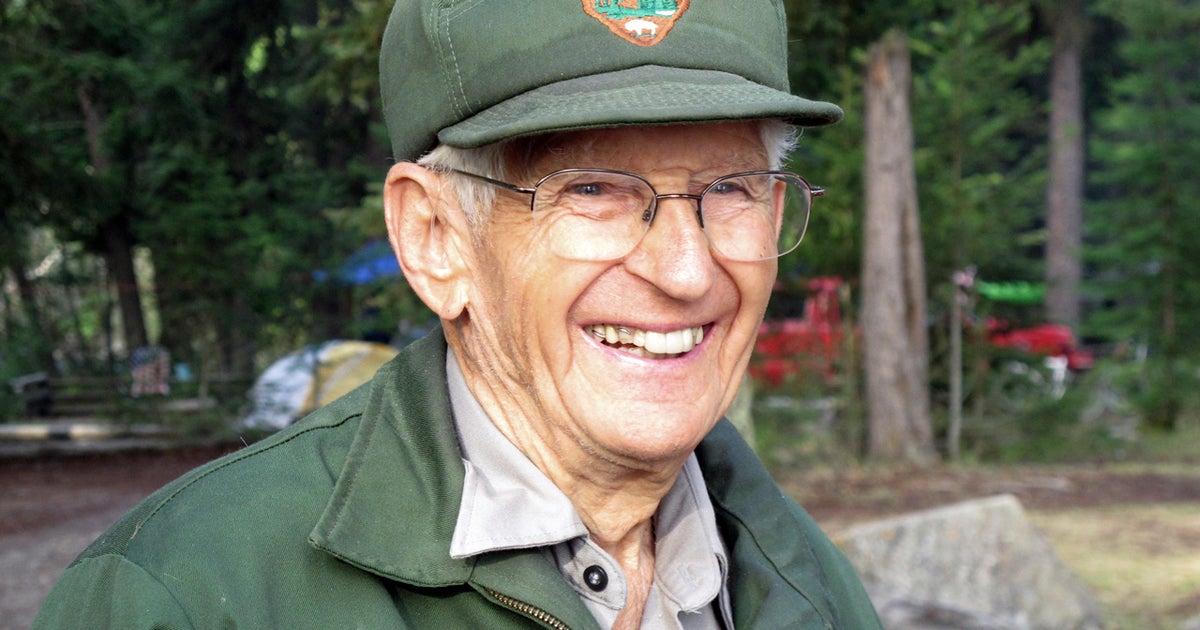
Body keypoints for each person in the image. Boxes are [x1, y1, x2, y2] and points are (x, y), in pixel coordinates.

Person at [34, 2, 881, 628]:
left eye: (729, 189)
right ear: (435, 239)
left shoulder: (808, 587)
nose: (688, 269)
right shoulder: (180, 597)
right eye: (592, 191)